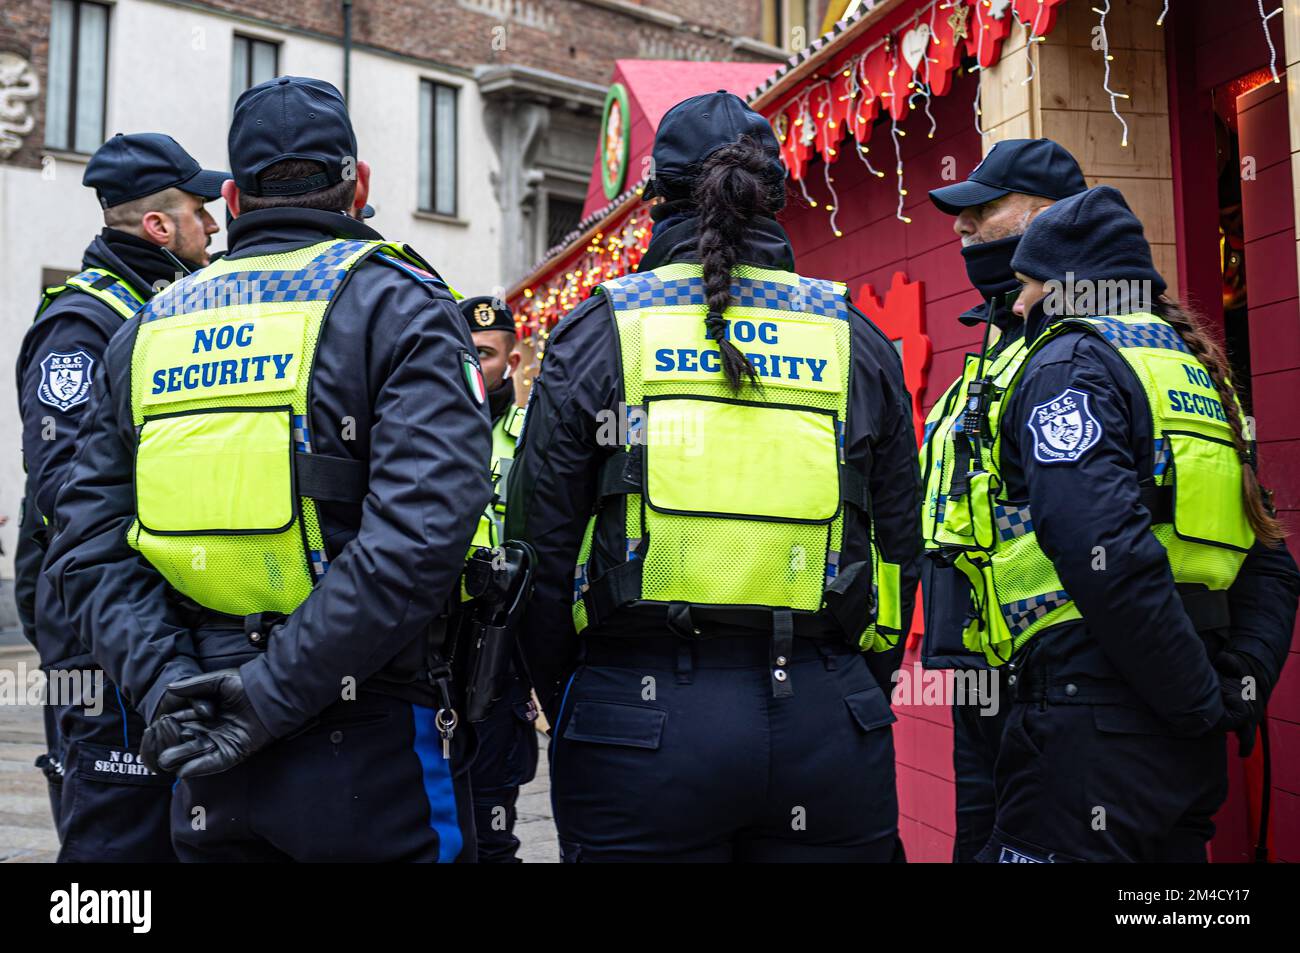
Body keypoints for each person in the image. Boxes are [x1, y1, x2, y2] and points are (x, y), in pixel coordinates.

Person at [44, 76, 491, 862]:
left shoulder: (149, 327)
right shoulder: (401, 304)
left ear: (232, 198)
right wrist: (265, 697)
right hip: (370, 735)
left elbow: (85, 542)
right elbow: (418, 540)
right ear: (359, 186)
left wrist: (170, 689)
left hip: (202, 739)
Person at [505, 92, 921, 862]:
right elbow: (899, 549)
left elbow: (536, 547)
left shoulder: (600, 330)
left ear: (657, 198)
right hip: (827, 722)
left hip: (638, 723)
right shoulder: (855, 336)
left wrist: (581, 689)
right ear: (776, 198)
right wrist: (851, 682)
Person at [954, 185, 1298, 862]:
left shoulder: (1070, 363)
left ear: (1062, 288)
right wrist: (1236, 686)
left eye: (1025, 286)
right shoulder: (1193, 371)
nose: (1014, 305)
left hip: (1094, 721)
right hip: (1181, 733)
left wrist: (1197, 698)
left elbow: (1101, 546)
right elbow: (1271, 559)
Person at [15, 132, 224, 860]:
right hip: (96, 643)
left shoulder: (170, 309)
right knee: (115, 843)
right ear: (159, 227)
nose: (216, 224)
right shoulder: (84, 323)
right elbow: (66, 493)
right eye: (202, 210)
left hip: (153, 634)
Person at [920, 138, 1086, 862]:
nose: (962, 228)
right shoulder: (994, 348)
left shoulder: (1080, 348)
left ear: (1044, 217)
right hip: (980, 675)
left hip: (1060, 679)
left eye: (982, 211)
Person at [458, 294, 539, 862]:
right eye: (465, 351)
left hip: (502, 647)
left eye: (485, 353)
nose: (474, 363)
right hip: (439, 643)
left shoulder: (534, 431)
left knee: (491, 822)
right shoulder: (429, 419)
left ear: (511, 362)